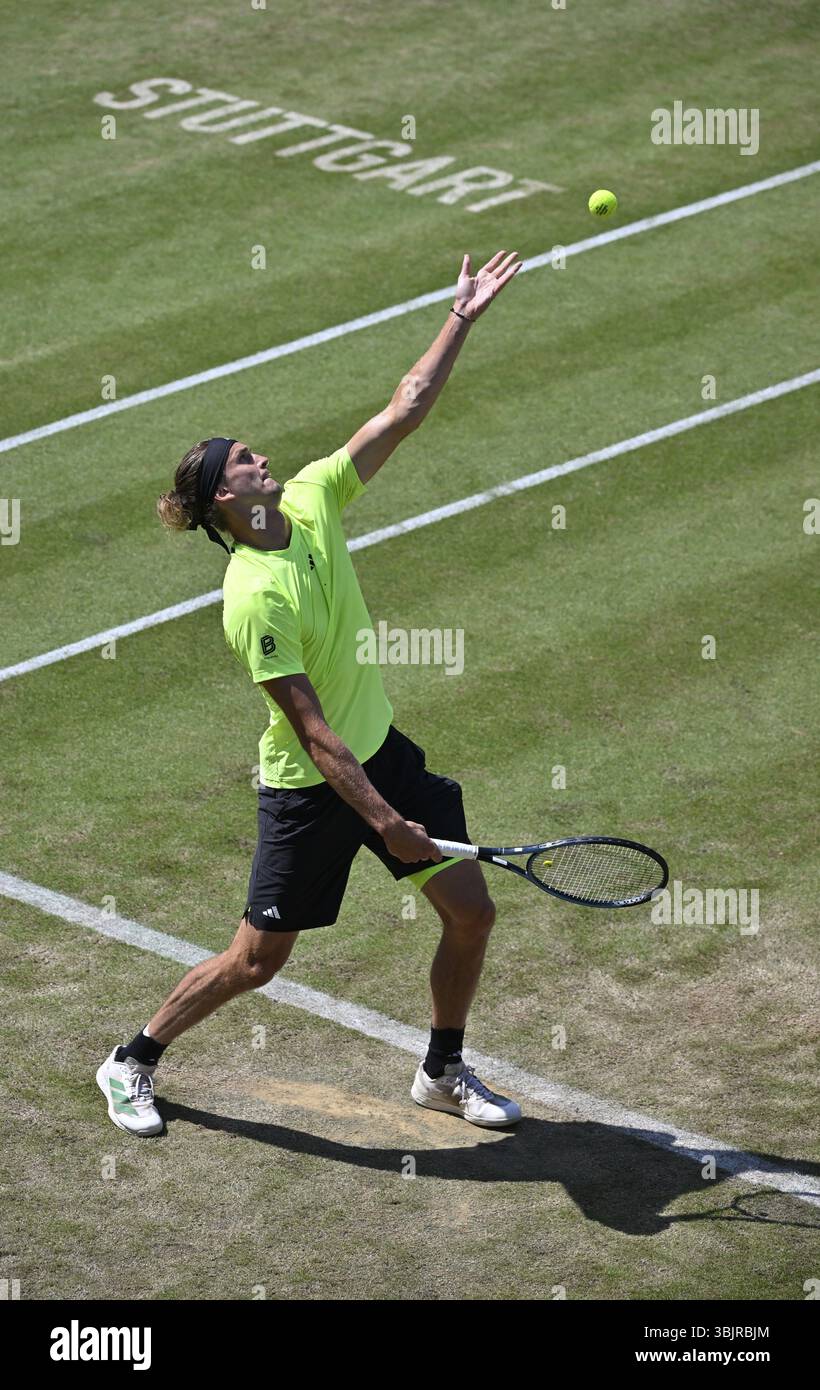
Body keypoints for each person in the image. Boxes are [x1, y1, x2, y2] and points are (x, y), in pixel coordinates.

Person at [97, 250, 524, 1137]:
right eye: (247, 457)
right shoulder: (253, 595)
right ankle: (132, 1059)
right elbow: (313, 732)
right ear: (226, 494)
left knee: (471, 913)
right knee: (259, 960)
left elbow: (403, 408)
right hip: (311, 789)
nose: (265, 454)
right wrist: (385, 821)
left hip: (382, 755)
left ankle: (441, 1072)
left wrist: (463, 317)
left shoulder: (314, 497)